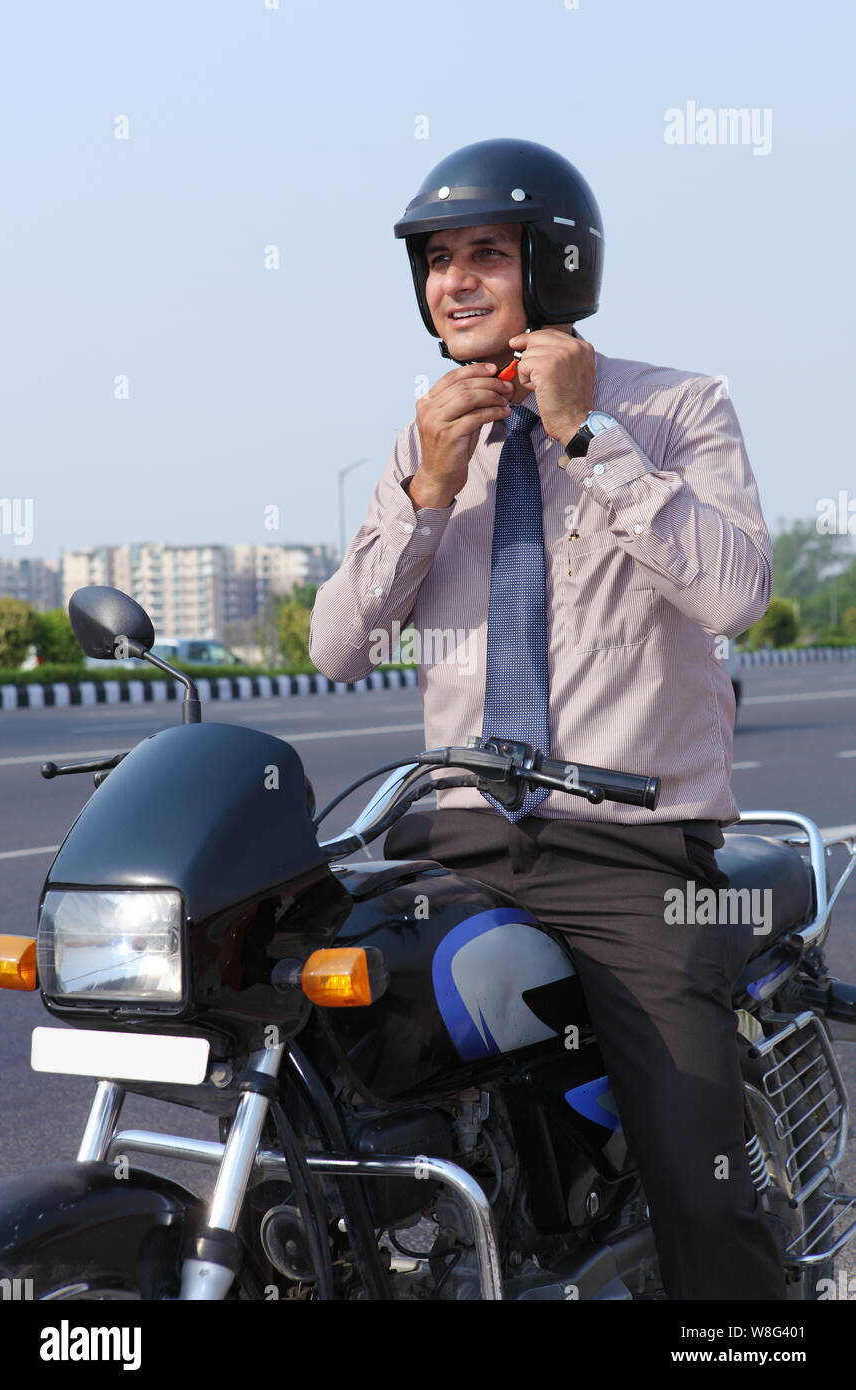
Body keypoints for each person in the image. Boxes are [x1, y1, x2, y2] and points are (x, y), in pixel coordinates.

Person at [308, 137, 787, 1300]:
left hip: (631, 852)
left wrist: (588, 437)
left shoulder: (674, 406)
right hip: (456, 841)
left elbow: (734, 594)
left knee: (699, 1177)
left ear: (558, 264)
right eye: (435, 260)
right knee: (310, 1035)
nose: (452, 282)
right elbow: (335, 645)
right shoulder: (429, 439)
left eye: (484, 253)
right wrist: (425, 487)